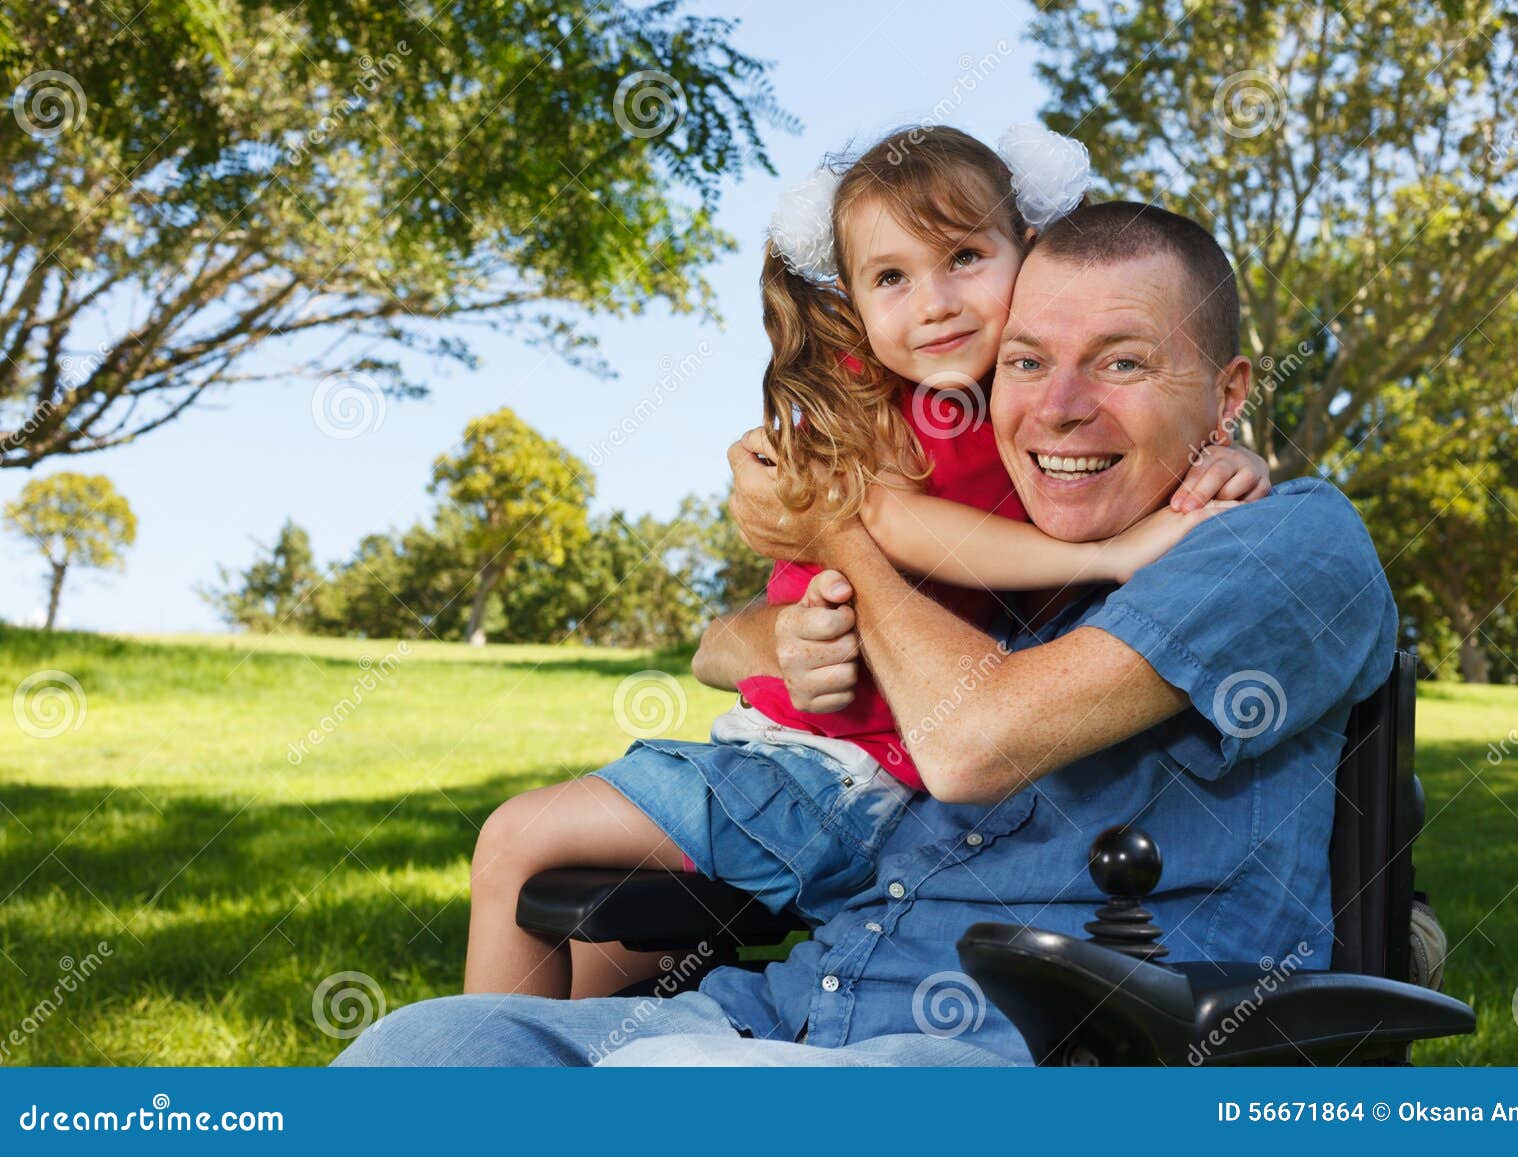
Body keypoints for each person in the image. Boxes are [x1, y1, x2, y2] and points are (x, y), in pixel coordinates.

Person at [331, 198, 1398, 1067]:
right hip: (784, 1010)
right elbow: (726, 646)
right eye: (1024, 363)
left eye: (1120, 362)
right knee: (424, 1050)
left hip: (1027, 1050)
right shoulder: (1002, 551)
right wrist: (788, 636)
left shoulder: (1285, 540)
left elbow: (969, 741)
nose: (1058, 406)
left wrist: (840, 523)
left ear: (1226, 395)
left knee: (667, 1087)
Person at [462, 125, 1270, 999]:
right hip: (798, 749)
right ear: (850, 296)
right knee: (588, 974)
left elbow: (883, 518)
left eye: (964, 256)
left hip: (831, 774)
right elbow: (756, 613)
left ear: (1027, 252)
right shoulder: (887, 403)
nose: (935, 302)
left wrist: (1219, 471)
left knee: (514, 838)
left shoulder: (1019, 409)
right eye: (892, 277)